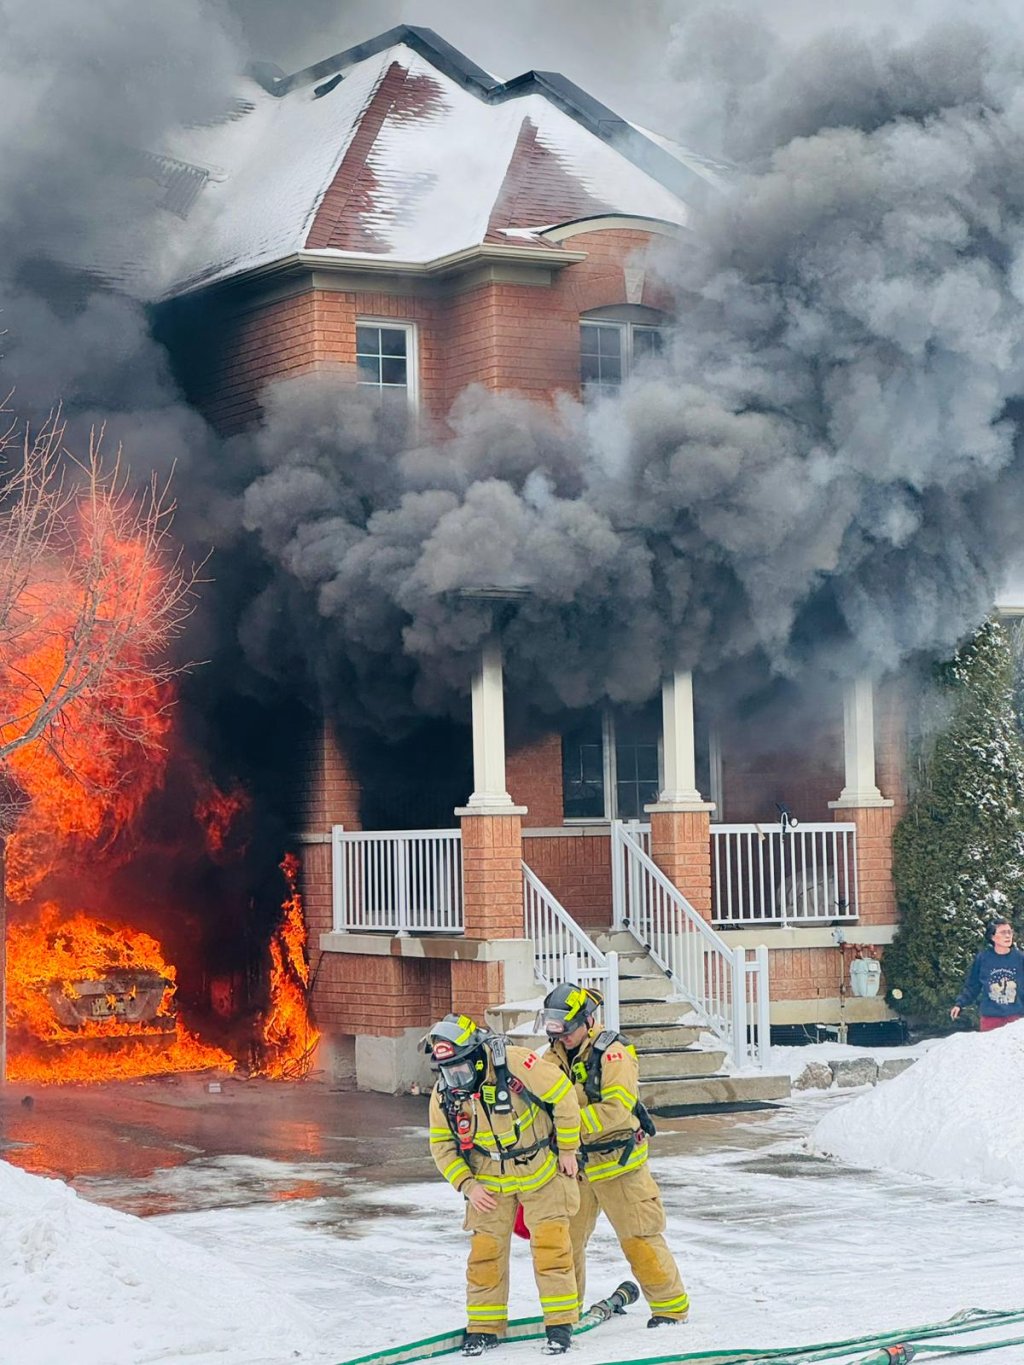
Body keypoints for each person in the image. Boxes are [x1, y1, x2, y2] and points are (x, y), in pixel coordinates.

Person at [425, 1013, 583, 1357]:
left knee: (552, 1249)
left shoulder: (514, 1063)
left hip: (540, 1171)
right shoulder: (445, 1092)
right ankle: (484, 1327)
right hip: (487, 1181)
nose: (456, 1079)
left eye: (461, 1069)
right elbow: (441, 1145)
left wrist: (568, 1149)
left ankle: (559, 1325)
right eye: (448, 1071)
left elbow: (564, 1097)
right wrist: (467, 1185)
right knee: (484, 1256)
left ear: (475, 1054)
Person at [540, 983, 690, 1329]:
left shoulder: (614, 1054)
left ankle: (670, 1308)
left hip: (620, 1166)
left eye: (568, 1030)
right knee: (564, 1243)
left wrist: (567, 1129)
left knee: (639, 1237)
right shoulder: (553, 1055)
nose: (561, 1038)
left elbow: (618, 1108)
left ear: (588, 1022)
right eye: (556, 1031)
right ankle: (564, 1314)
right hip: (575, 1167)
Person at [950, 918, 1024, 1031]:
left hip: (1016, 1017)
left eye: (1010, 932)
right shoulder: (983, 958)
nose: (1008, 936)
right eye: (1003, 932)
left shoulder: (1020, 958)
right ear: (992, 937)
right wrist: (960, 1004)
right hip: (990, 1018)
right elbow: (973, 985)